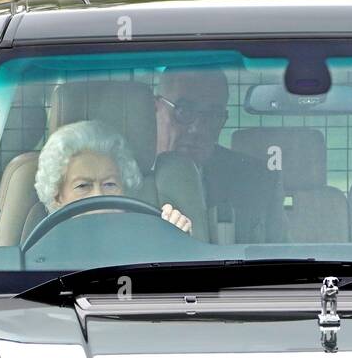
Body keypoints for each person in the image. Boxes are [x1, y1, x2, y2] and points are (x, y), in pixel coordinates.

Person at [154, 68, 287, 243]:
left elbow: (281, 257)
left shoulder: (256, 183)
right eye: (184, 111)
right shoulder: (119, 177)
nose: (197, 128)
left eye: (213, 115)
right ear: (155, 108)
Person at [34, 119, 192, 232]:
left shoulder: (147, 237)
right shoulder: (44, 250)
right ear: (57, 196)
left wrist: (177, 239)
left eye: (109, 184)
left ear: (124, 189)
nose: (98, 196)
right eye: (83, 186)